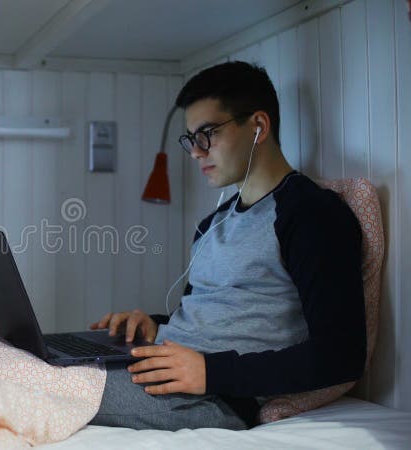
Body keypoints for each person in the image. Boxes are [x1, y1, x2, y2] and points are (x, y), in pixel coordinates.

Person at [86, 61, 367, 431]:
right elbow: (215, 315)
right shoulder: (212, 225)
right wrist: (153, 326)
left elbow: (341, 354)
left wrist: (210, 373)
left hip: (213, 397)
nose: (196, 152)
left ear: (258, 126)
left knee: (25, 383)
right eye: (191, 139)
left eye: (207, 134)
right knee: (4, 356)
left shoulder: (310, 215)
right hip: (164, 366)